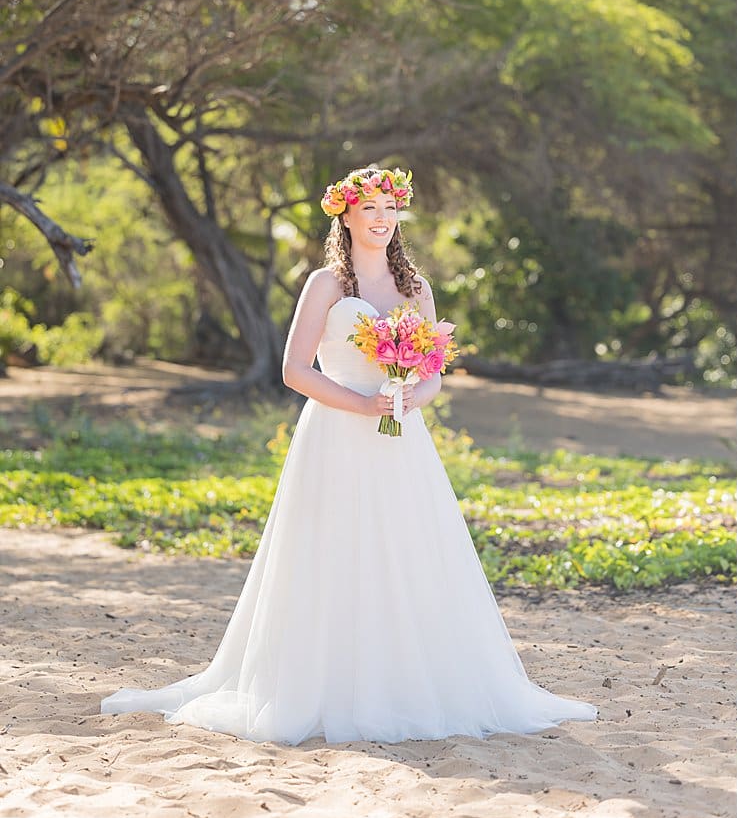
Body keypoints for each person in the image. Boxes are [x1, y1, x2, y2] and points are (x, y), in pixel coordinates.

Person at [101, 165, 598, 744]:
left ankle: (404, 678)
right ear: (346, 214)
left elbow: (435, 374)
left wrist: (411, 398)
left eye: (391, 209)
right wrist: (360, 407)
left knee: (405, 551)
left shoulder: (416, 288)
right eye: (371, 210)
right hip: (336, 432)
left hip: (401, 438)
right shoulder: (325, 284)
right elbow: (294, 371)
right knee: (331, 551)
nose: (383, 220)